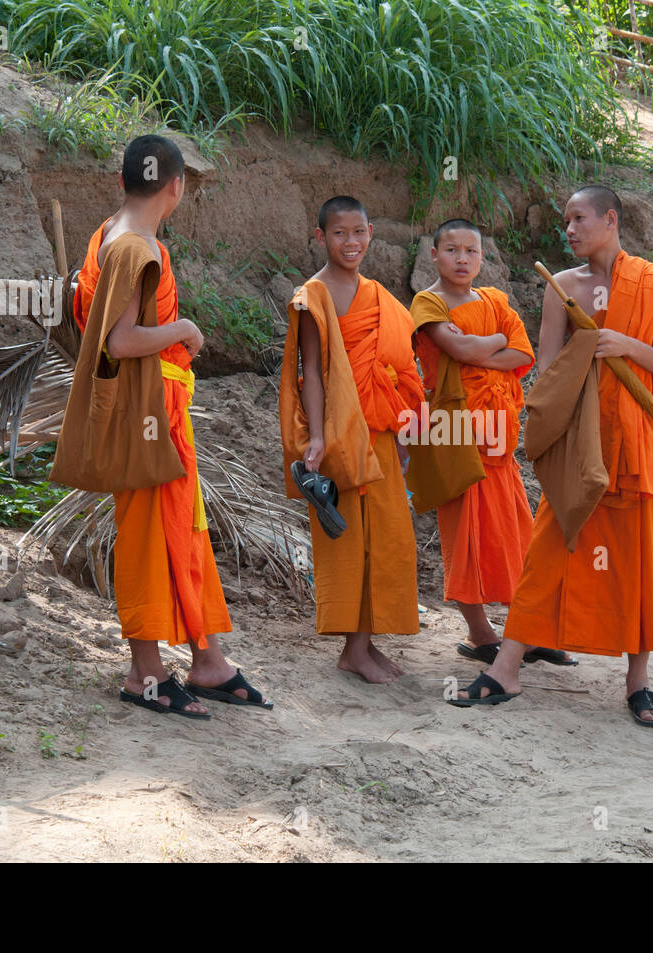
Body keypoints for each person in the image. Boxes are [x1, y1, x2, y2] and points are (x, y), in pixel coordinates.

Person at [450, 186, 653, 726]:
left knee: (634, 564)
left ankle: (639, 683)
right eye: (565, 220)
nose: (569, 228)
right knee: (550, 551)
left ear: (611, 219)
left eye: (579, 218)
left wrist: (627, 346)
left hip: (635, 449)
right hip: (579, 444)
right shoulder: (561, 287)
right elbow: (547, 373)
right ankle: (507, 668)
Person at [58, 134, 270, 719]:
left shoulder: (110, 232)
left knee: (181, 526)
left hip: (155, 412)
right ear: (174, 186)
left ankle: (208, 661)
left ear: (125, 180)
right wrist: (184, 330)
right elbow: (120, 341)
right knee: (152, 535)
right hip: (146, 416)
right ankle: (144, 673)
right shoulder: (137, 249)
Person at [409, 219, 573, 667]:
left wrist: (487, 345)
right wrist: (496, 342)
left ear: (483, 258)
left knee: (516, 535)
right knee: (466, 537)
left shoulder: (494, 299)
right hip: (453, 429)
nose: (462, 259)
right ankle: (481, 636)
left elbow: (525, 355)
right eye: (452, 250)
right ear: (434, 255)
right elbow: (457, 353)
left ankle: (527, 631)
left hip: (499, 438)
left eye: (471, 252)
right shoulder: (427, 303)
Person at [279, 195, 424, 684]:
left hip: (381, 432)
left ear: (370, 235)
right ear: (320, 236)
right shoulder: (313, 295)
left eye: (359, 232)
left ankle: (366, 643)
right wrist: (316, 439)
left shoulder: (379, 297)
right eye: (339, 233)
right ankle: (353, 649)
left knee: (387, 541)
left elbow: (400, 368)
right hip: (342, 435)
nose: (351, 242)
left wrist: (404, 435)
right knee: (349, 542)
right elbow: (312, 375)